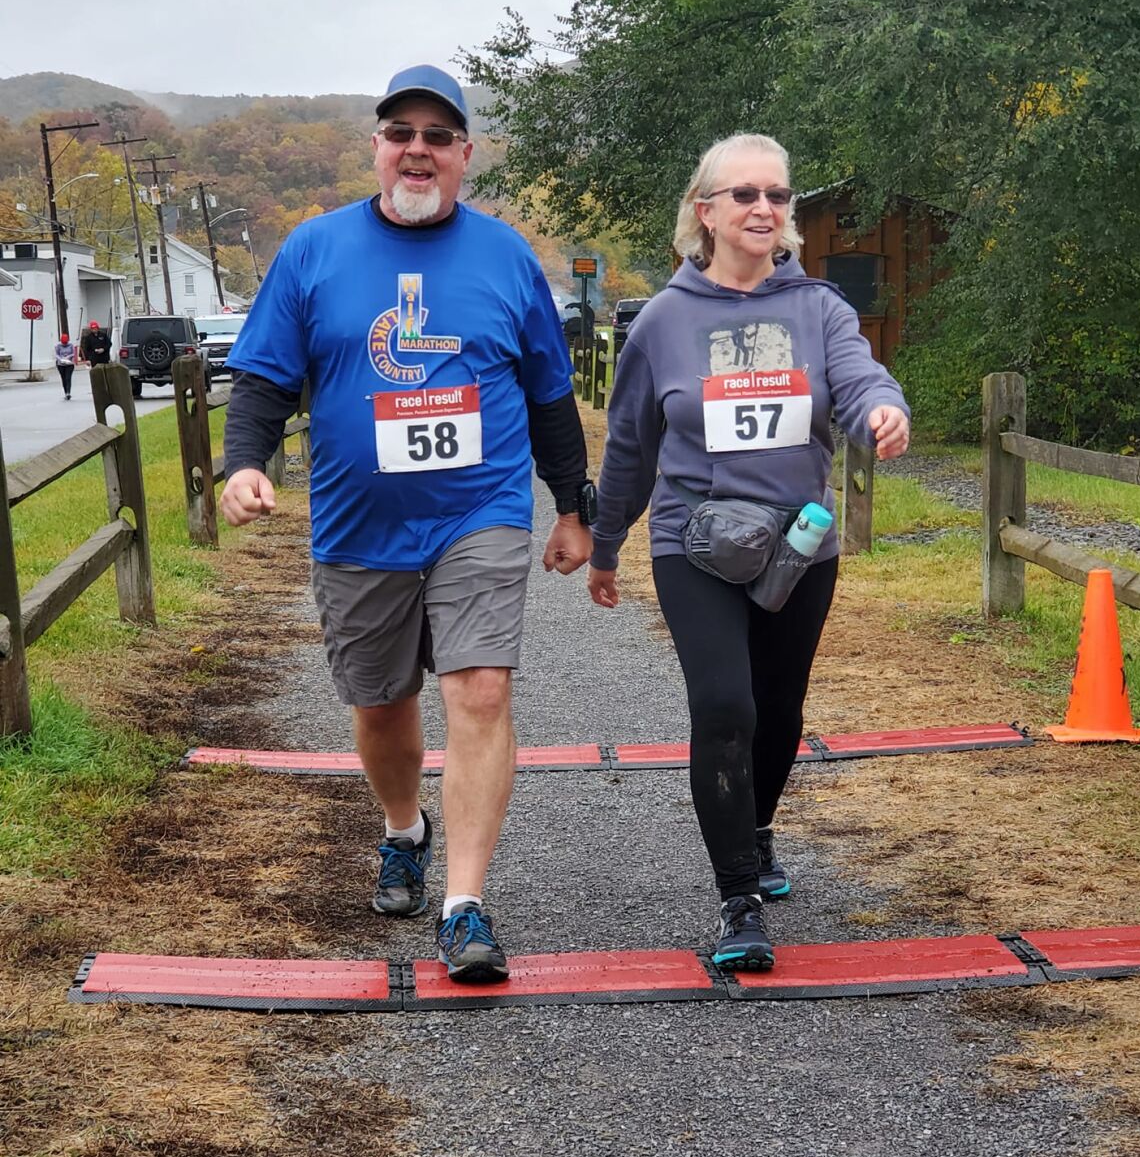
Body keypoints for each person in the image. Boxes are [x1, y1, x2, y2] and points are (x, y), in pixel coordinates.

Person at [220, 64, 595, 983]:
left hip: (481, 511)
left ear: (464, 155)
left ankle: (464, 905)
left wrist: (574, 509)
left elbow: (551, 396)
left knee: (478, 690)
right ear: (377, 148)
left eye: (437, 136)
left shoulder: (506, 257)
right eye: (401, 134)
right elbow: (264, 377)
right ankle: (403, 829)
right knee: (381, 706)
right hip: (357, 524)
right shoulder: (314, 250)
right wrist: (244, 463)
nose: (417, 150)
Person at [587, 133, 911, 971]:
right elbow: (630, 445)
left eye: (777, 195)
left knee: (778, 708)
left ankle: (756, 829)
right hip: (692, 541)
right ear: (706, 212)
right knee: (725, 707)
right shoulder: (663, 320)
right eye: (744, 195)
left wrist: (883, 408)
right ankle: (737, 897)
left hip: (798, 543)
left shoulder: (819, 308)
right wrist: (605, 544)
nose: (764, 208)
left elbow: (858, 374)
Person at [54, 334, 76, 399]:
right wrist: (60, 359)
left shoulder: (71, 345)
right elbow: (56, 354)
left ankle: (68, 393)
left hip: (69, 364)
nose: (64, 344)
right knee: (63, 378)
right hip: (61, 364)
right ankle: (65, 392)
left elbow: (73, 353)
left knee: (68, 378)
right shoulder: (58, 345)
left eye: (65, 343)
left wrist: (68, 357)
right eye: (63, 343)